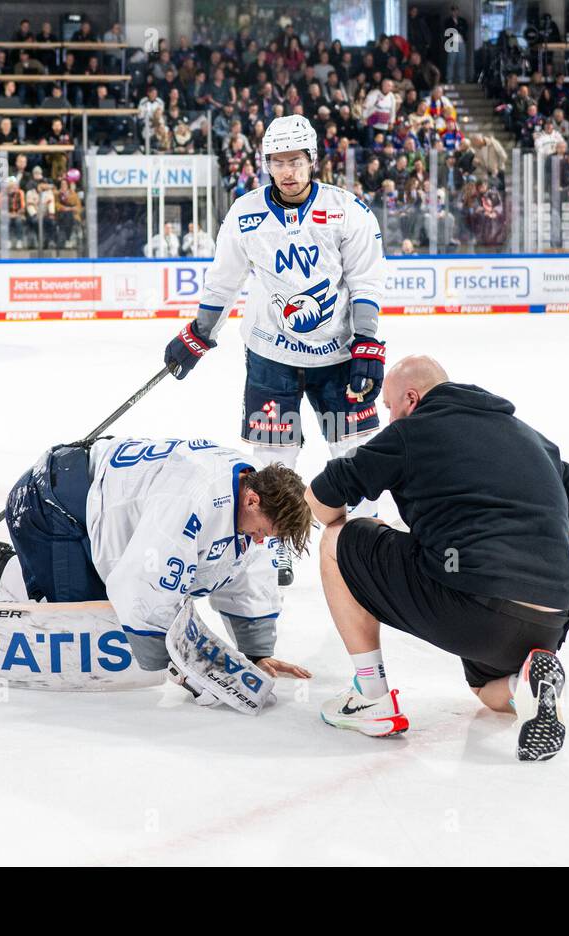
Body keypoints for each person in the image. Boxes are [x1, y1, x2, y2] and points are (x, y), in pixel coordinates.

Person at [303, 356, 569, 761]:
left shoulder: (411, 432)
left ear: (411, 397)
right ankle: (526, 684)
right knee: (487, 695)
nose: (389, 418)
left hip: (473, 606)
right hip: (551, 619)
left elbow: (319, 498)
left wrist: (365, 545)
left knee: (338, 541)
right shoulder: (535, 439)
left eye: (389, 407)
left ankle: (370, 696)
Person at [161, 114, 388, 587]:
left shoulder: (347, 210)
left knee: (353, 450)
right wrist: (199, 333)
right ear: (265, 164)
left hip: (340, 354)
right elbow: (224, 280)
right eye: (278, 161)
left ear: (313, 161)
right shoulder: (245, 214)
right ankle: (282, 538)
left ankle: (365, 542)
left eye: (296, 161)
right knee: (275, 456)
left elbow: (365, 277)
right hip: (270, 354)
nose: (287, 171)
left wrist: (367, 340)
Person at [3, 436, 312, 679]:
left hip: (100, 500)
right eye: (262, 531)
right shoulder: (192, 496)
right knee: (89, 639)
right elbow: (143, 581)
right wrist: (177, 668)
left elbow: (250, 576)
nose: (260, 540)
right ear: (252, 500)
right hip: (51, 504)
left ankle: (37, 569)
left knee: (118, 631)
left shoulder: (254, 492)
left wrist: (257, 653)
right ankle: (15, 575)